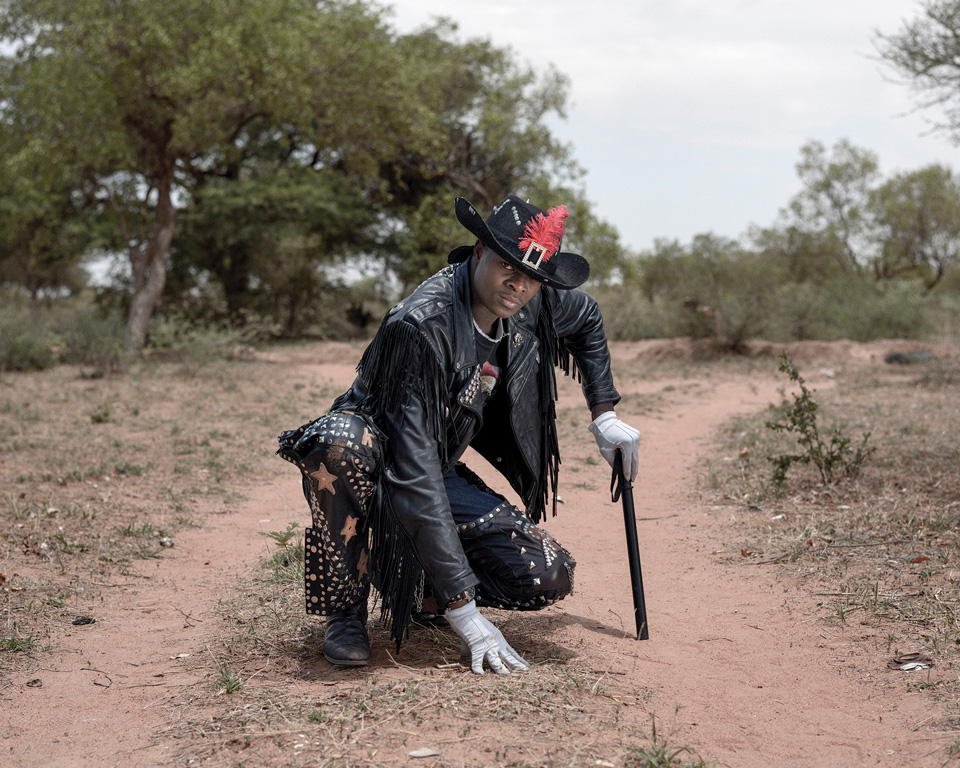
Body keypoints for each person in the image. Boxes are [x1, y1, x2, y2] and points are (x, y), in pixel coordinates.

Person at [278, 195, 640, 674]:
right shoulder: (419, 325)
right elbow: (413, 469)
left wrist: (604, 414)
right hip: (383, 453)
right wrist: (465, 609)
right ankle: (346, 610)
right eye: (506, 265)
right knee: (338, 445)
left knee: (546, 574)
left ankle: (419, 586)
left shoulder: (527, 300)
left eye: (531, 275)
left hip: (436, 461)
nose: (518, 282)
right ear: (476, 252)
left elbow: (588, 317)